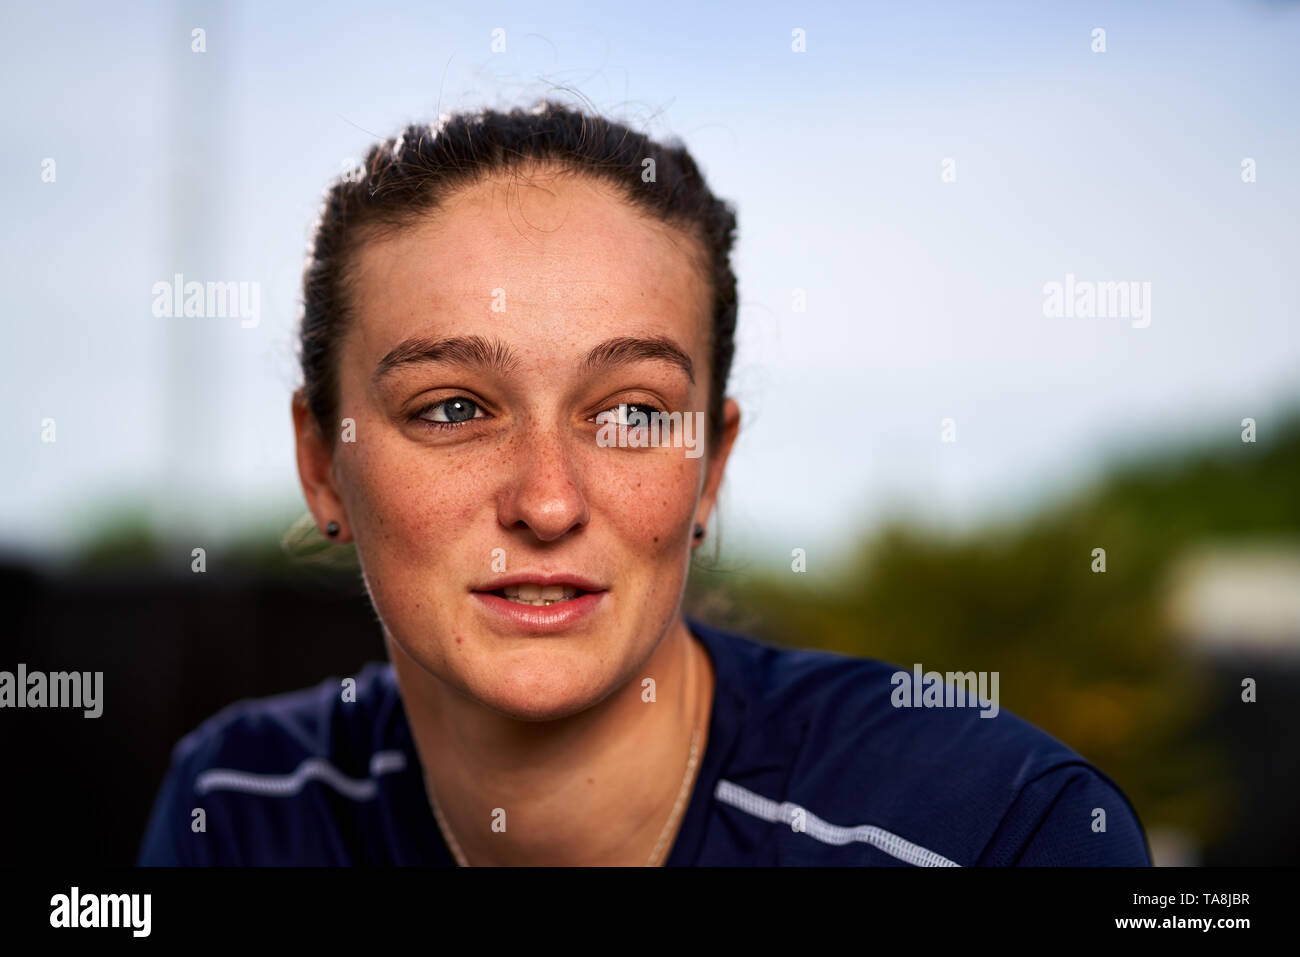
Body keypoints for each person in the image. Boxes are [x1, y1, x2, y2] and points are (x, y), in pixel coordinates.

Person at [138, 101, 1150, 866]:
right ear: (322, 463)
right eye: (452, 408)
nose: (546, 501)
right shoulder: (240, 807)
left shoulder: (999, 832)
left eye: (630, 414)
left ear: (710, 468)